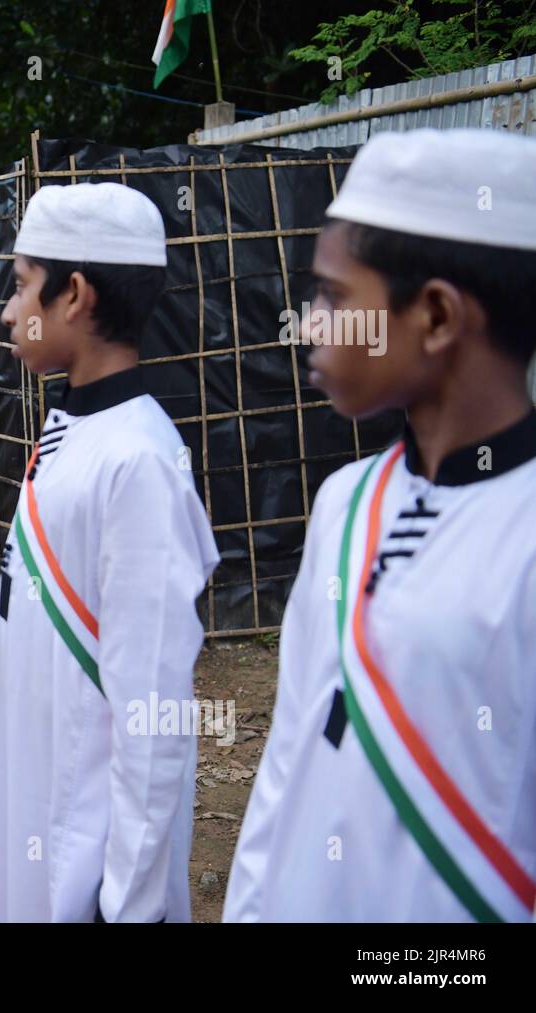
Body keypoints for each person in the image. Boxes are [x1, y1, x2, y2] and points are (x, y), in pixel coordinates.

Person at [224, 129, 536, 923]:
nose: (308, 325)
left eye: (332, 298)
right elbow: (289, 761)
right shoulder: (345, 500)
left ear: (434, 315)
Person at [0, 183, 218, 923]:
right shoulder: (73, 429)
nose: (9, 311)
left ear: (74, 295)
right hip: (36, 782)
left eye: (21, 286)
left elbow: (154, 707)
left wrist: (131, 901)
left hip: (87, 843)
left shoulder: (138, 460)